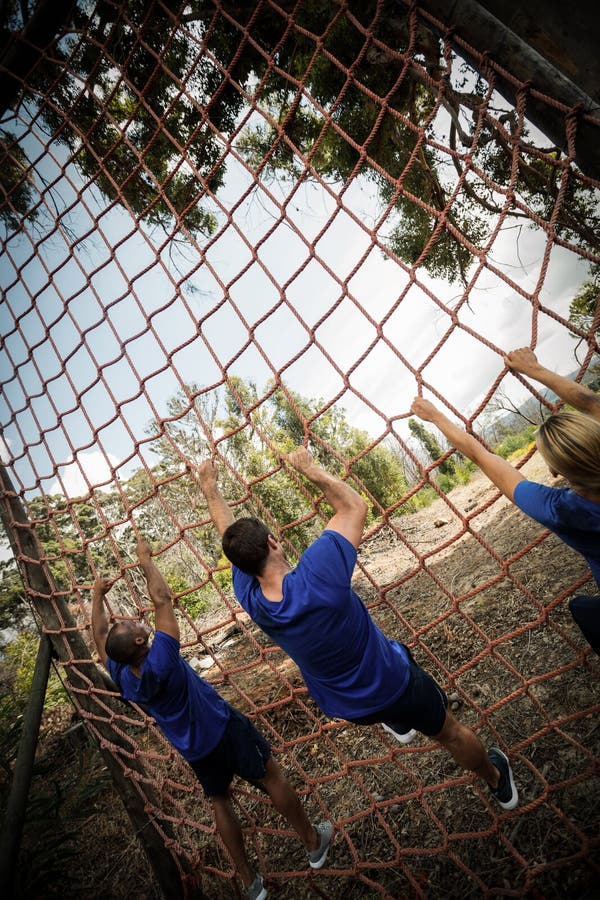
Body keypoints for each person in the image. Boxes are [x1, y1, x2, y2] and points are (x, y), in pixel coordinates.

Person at [195, 453, 519, 812]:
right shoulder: (319, 570)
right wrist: (309, 469)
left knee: (394, 666)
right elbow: (353, 506)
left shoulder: (251, 598)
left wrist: (210, 490)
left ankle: (396, 721)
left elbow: (228, 534)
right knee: (450, 733)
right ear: (273, 543)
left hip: (349, 707)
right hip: (396, 684)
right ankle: (496, 779)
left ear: (240, 566)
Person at [91, 539, 332, 900]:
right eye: (134, 625)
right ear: (141, 642)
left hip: (194, 749)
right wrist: (145, 560)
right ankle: (313, 843)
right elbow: (162, 600)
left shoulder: (123, 675)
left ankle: (250, 882)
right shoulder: (162, 657)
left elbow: (99, 637)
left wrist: (97, 597)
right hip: (222, 726)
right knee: (270, 776)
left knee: (220, 802)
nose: (137, 620)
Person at [411, 346, 600, 655]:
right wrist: (535, 369)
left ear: (553, 470)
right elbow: (591, 402)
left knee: (582, 607)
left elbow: (480, 455)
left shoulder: (561, 510)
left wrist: (435, 417)